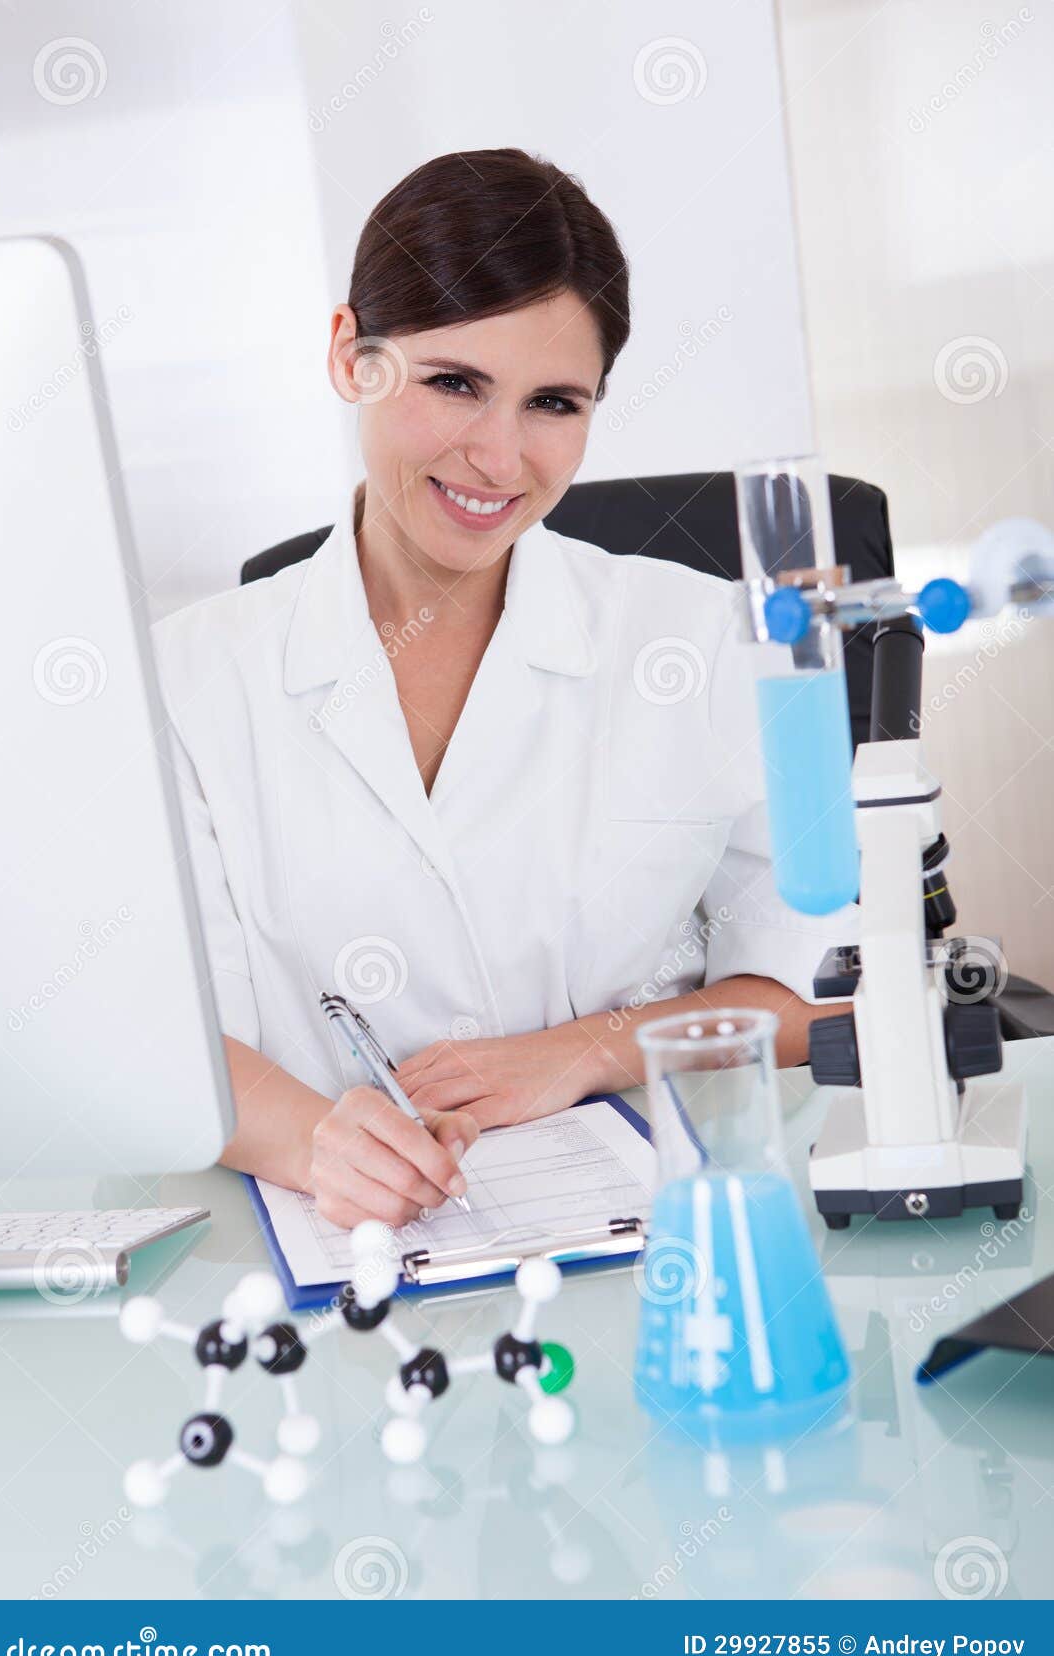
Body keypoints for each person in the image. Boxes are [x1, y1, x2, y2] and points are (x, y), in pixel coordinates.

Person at [152, 147, 853, 1230]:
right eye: (452, 384)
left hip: (661, 1244)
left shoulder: (698, 639)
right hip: (342, 1256)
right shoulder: (188, 679)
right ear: (350, 355)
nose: (497, 456)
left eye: (553, 403)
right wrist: (315, 1140)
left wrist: (580, 1052)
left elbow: (823, 978)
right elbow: (162, 1029)